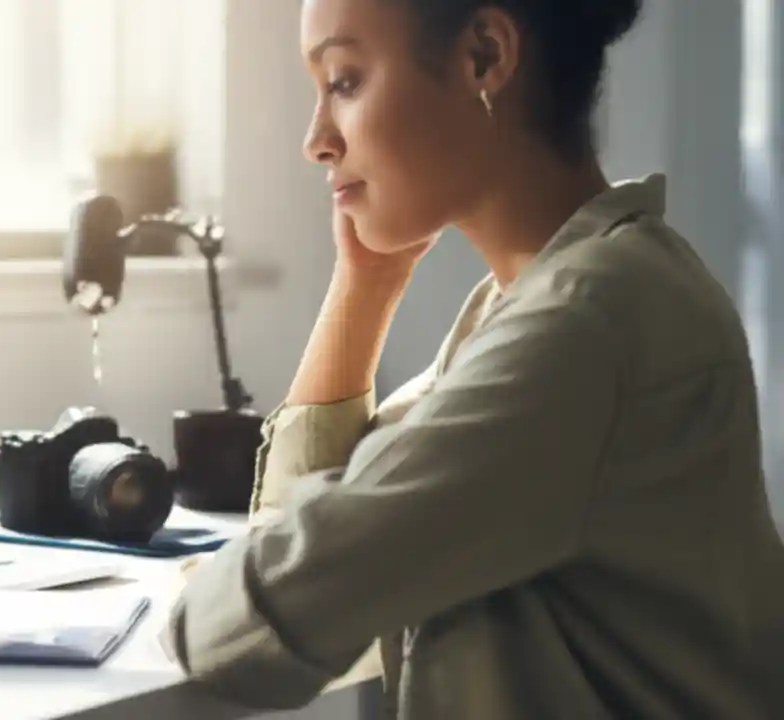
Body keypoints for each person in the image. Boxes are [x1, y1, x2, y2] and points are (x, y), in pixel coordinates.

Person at [164, 0, 784, 717]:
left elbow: (252, 624)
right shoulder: (551, 296)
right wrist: (366, 286)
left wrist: (195, 588)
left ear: (484, 56)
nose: (316, 140)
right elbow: (299, 536)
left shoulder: (581, 326)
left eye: (344, 81)